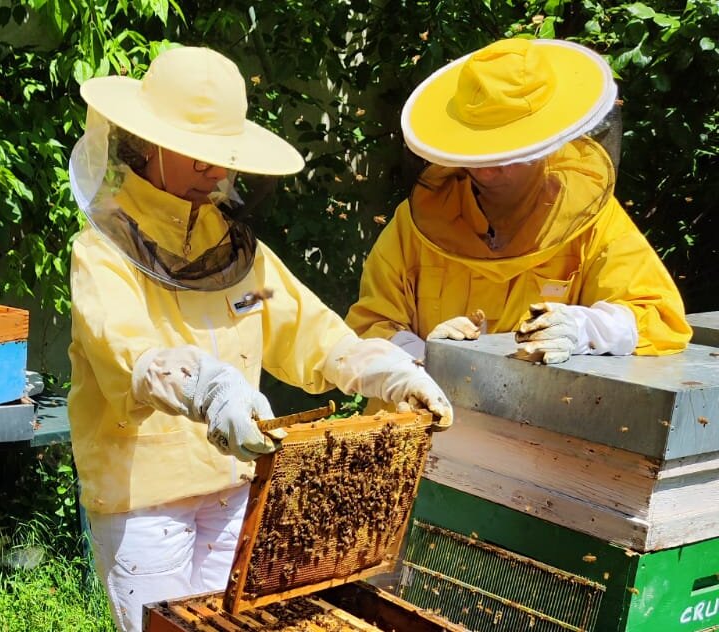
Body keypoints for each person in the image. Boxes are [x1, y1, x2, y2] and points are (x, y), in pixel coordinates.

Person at [67, 45, 454, 632]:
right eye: (197, 154)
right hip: (142, 498)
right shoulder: (101, 254)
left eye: (220, 156)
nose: (214, 171)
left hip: (236, 487)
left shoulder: (243, 264)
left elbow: (313, 334)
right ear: (146, 143)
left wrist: (386, 371)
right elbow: (130, 356)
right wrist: (210, 388)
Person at [346, 38, 691, 363]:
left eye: (511, 151)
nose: (488, 169)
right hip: (426, 417)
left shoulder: (592, 220)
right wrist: (422, 357)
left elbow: (659, 316)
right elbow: (369, 327)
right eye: (478, 149)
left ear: (548, 145)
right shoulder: (415, 224)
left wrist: (585, 328)